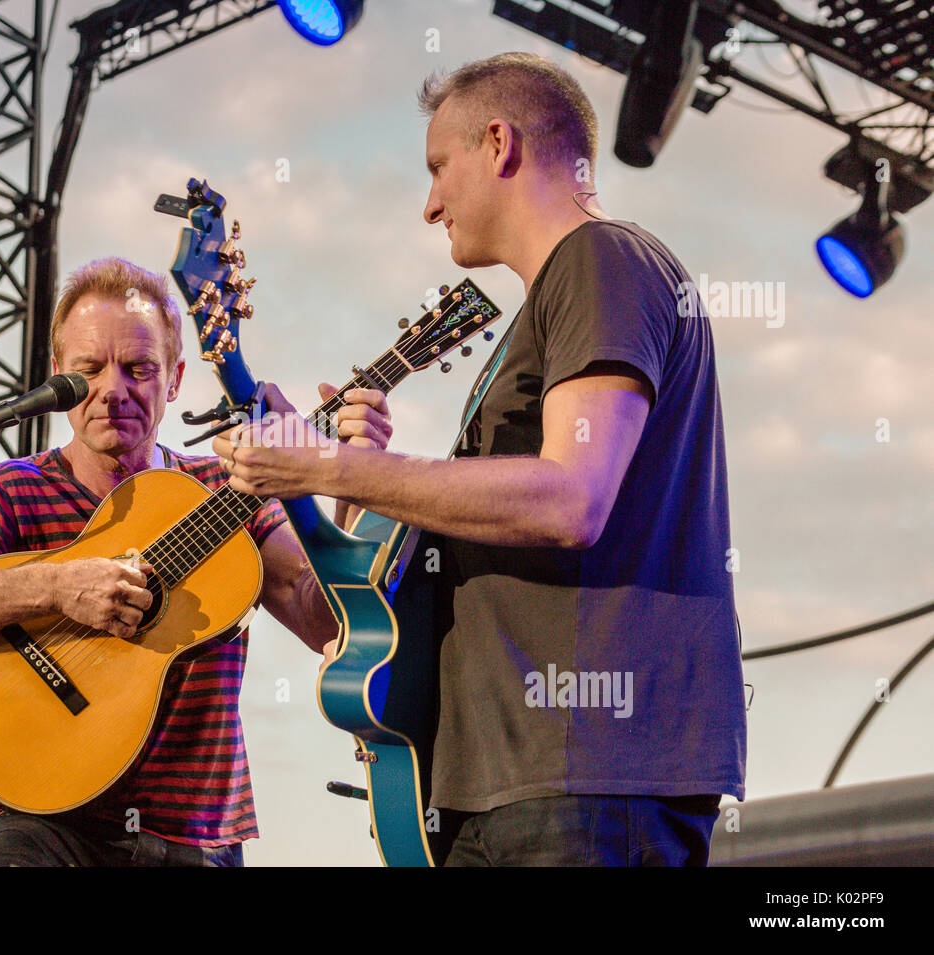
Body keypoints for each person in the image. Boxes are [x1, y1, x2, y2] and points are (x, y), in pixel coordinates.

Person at [212, 52, 747, 866]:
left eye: (438, 167)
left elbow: (571, 498)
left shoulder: (602, 260)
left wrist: (323, 467)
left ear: (498, 143)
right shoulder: (558, 300)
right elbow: (478, 533)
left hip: (586, 782)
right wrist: (345, 474)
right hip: (512, 785)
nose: (430, 205)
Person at [0, 256, 391, 866]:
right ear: (57, 374)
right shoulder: (5, 491)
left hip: (201, 842)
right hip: (47, 830)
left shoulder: (231, 487)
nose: (113, 390)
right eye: (88, 369)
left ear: (176, 377)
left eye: (139, 369)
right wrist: (52, 586)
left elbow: (332, 624)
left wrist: (353, 486)